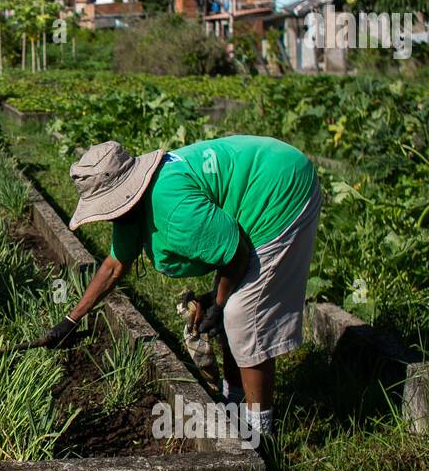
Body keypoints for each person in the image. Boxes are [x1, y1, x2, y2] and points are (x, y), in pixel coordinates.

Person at [39, 135, 322, 440]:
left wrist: (218, 300)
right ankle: (234, 402)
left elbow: (236, 251)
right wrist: (71, 320)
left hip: (281, 186)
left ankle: (260, 434)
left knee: (242, 314)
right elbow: (113, 267)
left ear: (125, 193)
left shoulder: (172, 208)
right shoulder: (133, 208)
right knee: (229, 311)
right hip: (258, 183)